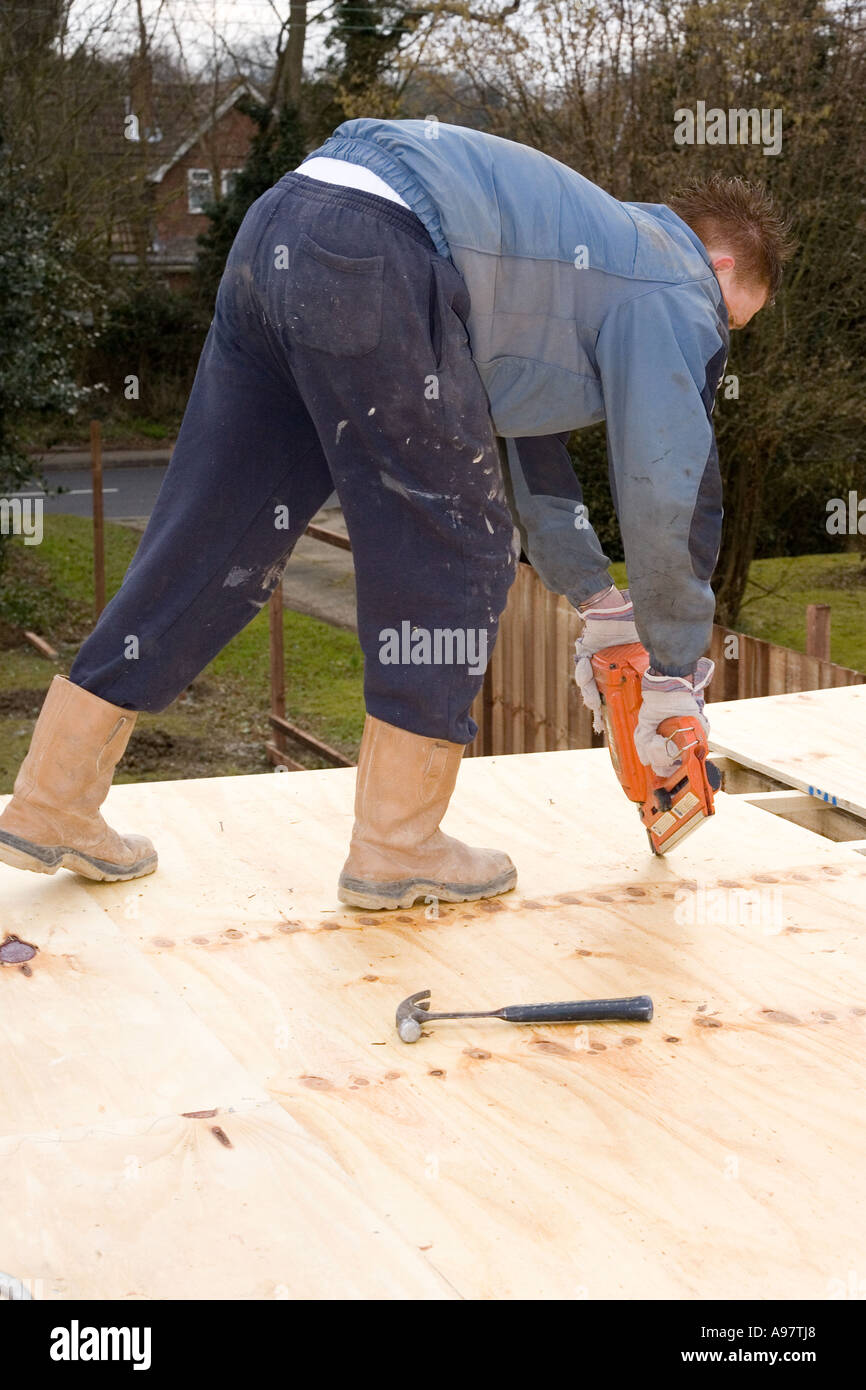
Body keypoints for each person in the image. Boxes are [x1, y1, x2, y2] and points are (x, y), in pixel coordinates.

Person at [0, 120, 794, 909]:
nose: (713, 342)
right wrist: (673, 666)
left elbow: (527, 449)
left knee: (215, 538)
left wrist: (599, 605)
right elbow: (668, 484)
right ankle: (399, 844)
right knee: (455, 546)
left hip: (283, 232)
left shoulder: (567, 262)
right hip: (377, 245)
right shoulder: (672, 281)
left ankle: (53, 796)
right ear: (718, 264)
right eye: (730, 320)